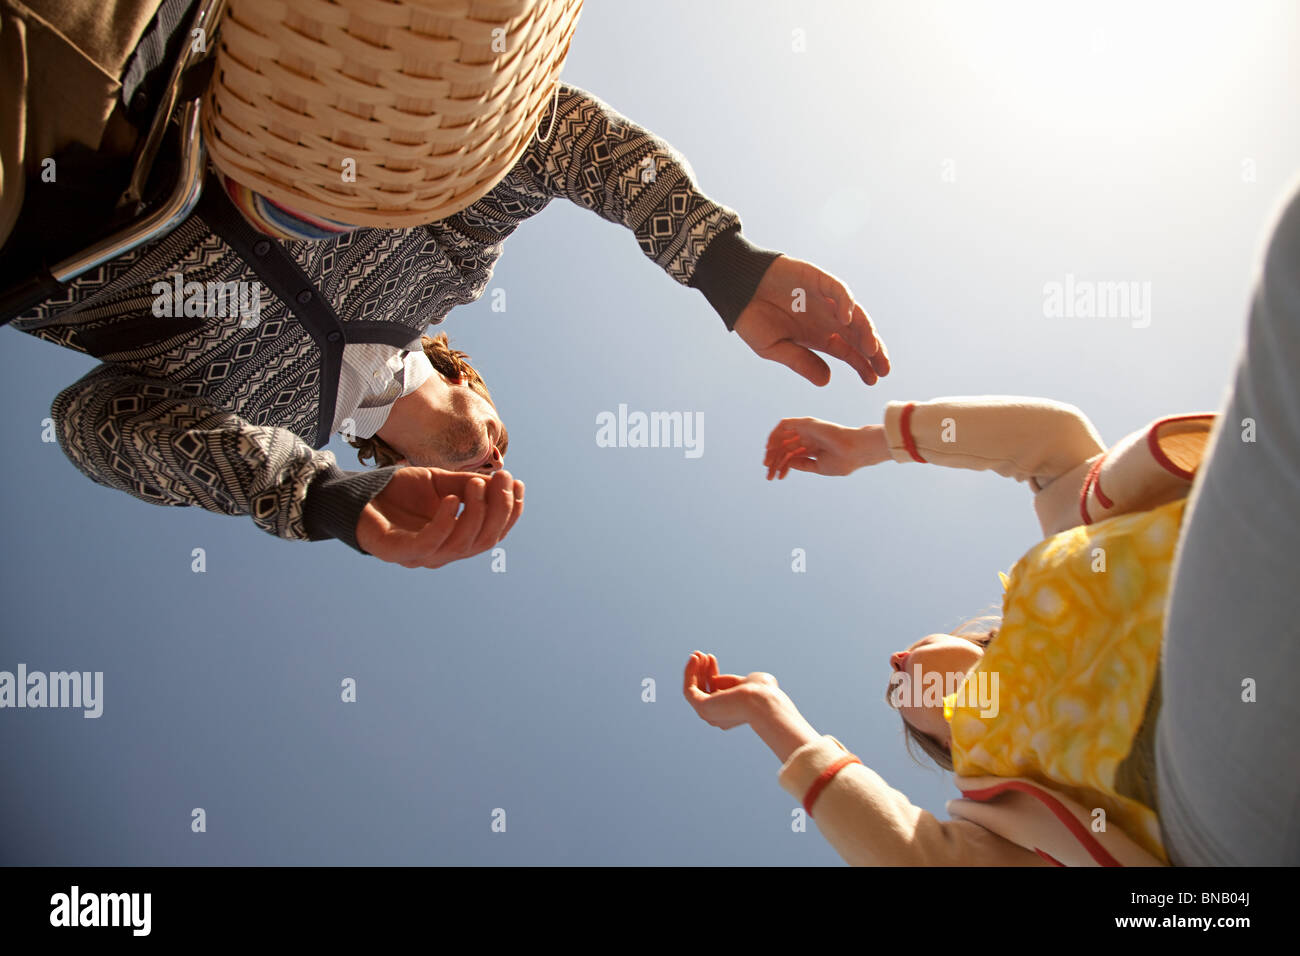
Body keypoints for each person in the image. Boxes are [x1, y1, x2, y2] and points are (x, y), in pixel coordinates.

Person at [1, 0, 890, 571]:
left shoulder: (276, 436)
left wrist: (318, 499)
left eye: (484, 471)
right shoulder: (447, 266)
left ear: (400, 470)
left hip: (33, 220)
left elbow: (91, 426)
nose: (495, 461)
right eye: (506, 438)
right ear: (472, 381)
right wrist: (722, 265)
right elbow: (544, 137)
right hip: (142, 51)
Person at [686, 180, 1300, 865]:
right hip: (1193, 784)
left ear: (973, 639)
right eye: (905, 707)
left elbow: (1055, 441)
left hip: (1209, 557)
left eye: (908, 655)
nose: (898, 669)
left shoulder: (1059, 564)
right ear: (950, 748)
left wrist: (871, 444)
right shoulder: (997, 803)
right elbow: (918, 856)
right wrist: (772, 715)